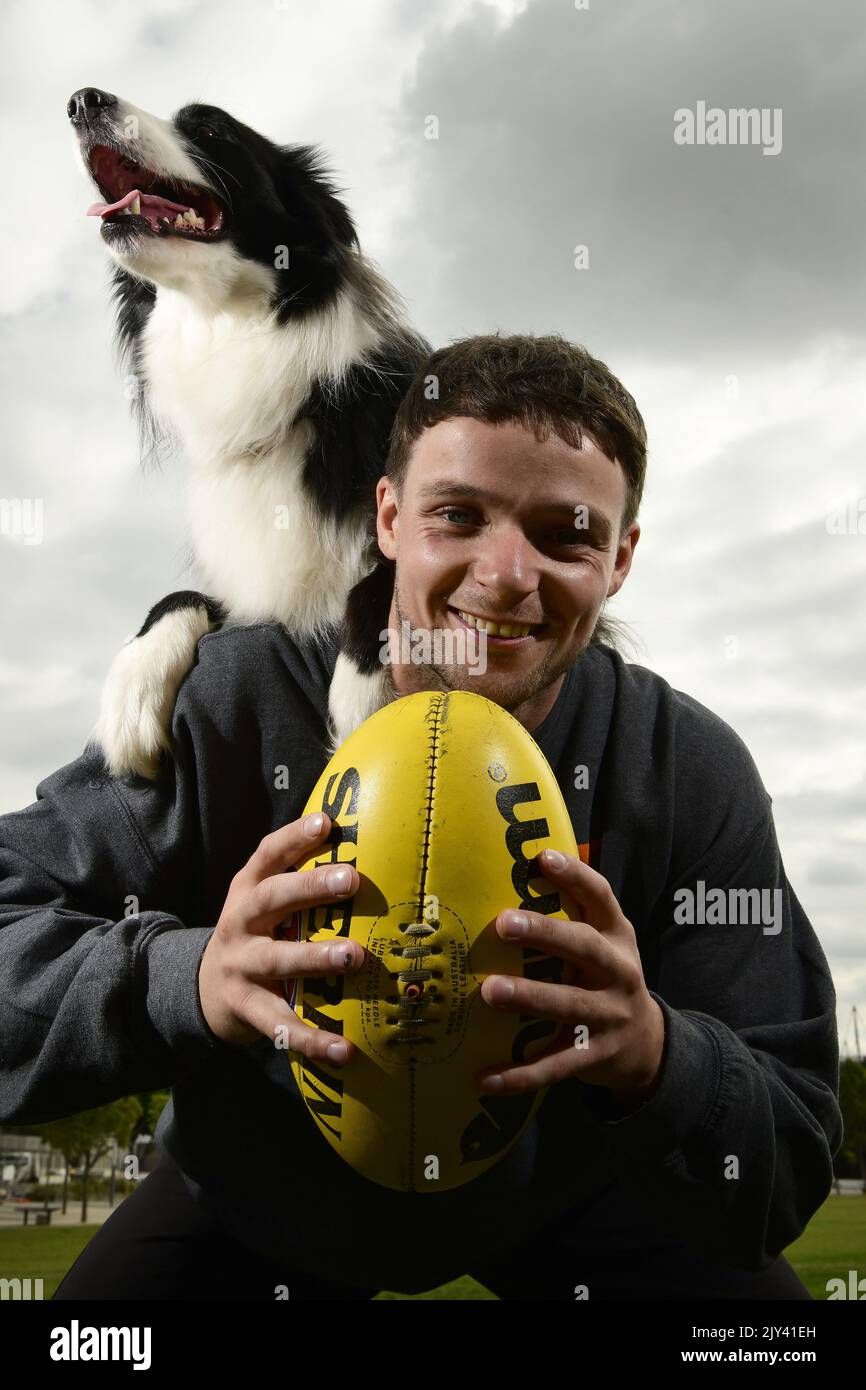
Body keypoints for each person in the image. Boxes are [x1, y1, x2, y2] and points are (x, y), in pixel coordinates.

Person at [0, 334, 842, 1301]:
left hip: (573, 1201)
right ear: (388, 516)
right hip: (261, 1198)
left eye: (566, 534)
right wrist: (187, 978)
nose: (506, 573)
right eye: (459, 515)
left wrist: (658, 1056)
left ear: (620, 561)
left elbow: (790, 1155)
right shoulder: (237, 701)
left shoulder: (681, 763)